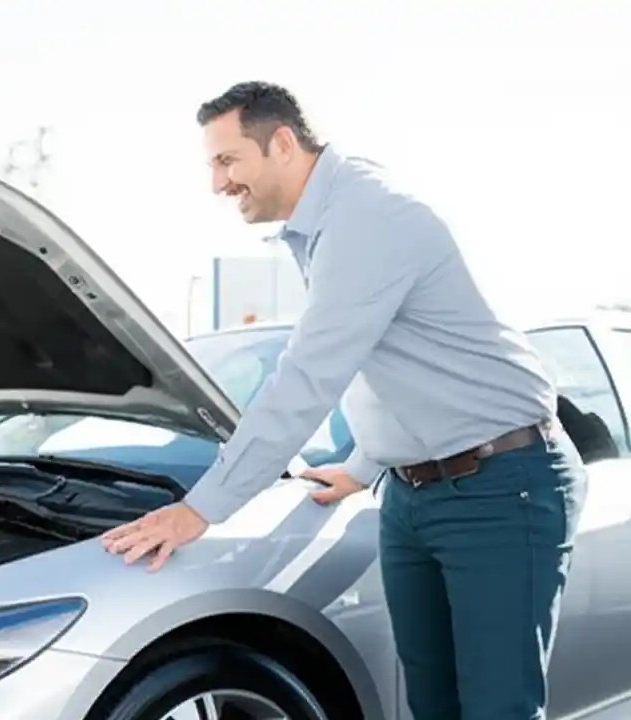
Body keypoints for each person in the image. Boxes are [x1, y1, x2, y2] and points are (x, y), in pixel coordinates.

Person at [101, 81, 588, 720]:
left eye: (226, 161)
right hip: (412, 496)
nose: (217, 184)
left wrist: (201, 509)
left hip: (503, 485)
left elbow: (308, 377)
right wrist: (363, 464)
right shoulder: (329, 221)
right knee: (432, 706)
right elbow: (391, 359)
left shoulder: (369, 216)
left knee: (499, 709)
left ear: (281, 143)